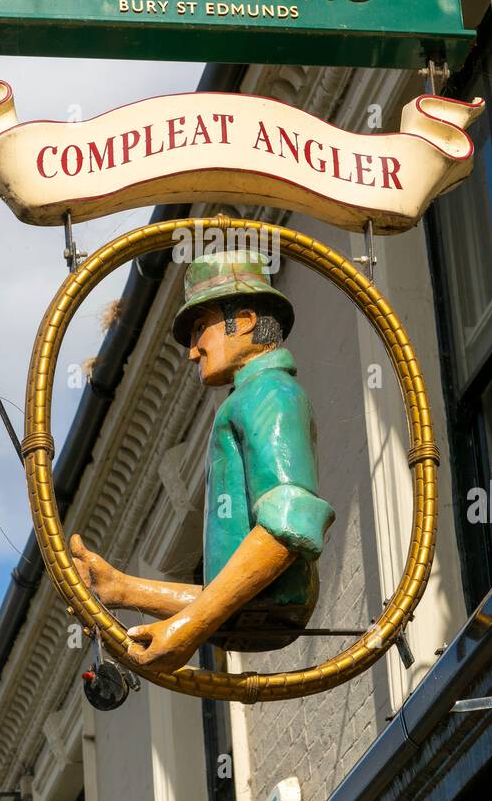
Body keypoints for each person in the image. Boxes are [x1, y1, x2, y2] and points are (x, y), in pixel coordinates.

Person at [70, 251, 335, 672]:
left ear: (245, 320)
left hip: (275, 603)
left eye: (199, 329)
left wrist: (189, 628)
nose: (193, 352)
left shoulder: (270, 395)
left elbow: (290, 525)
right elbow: (237, 592)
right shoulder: (247, 399)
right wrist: (123, 590)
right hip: (266, 606)